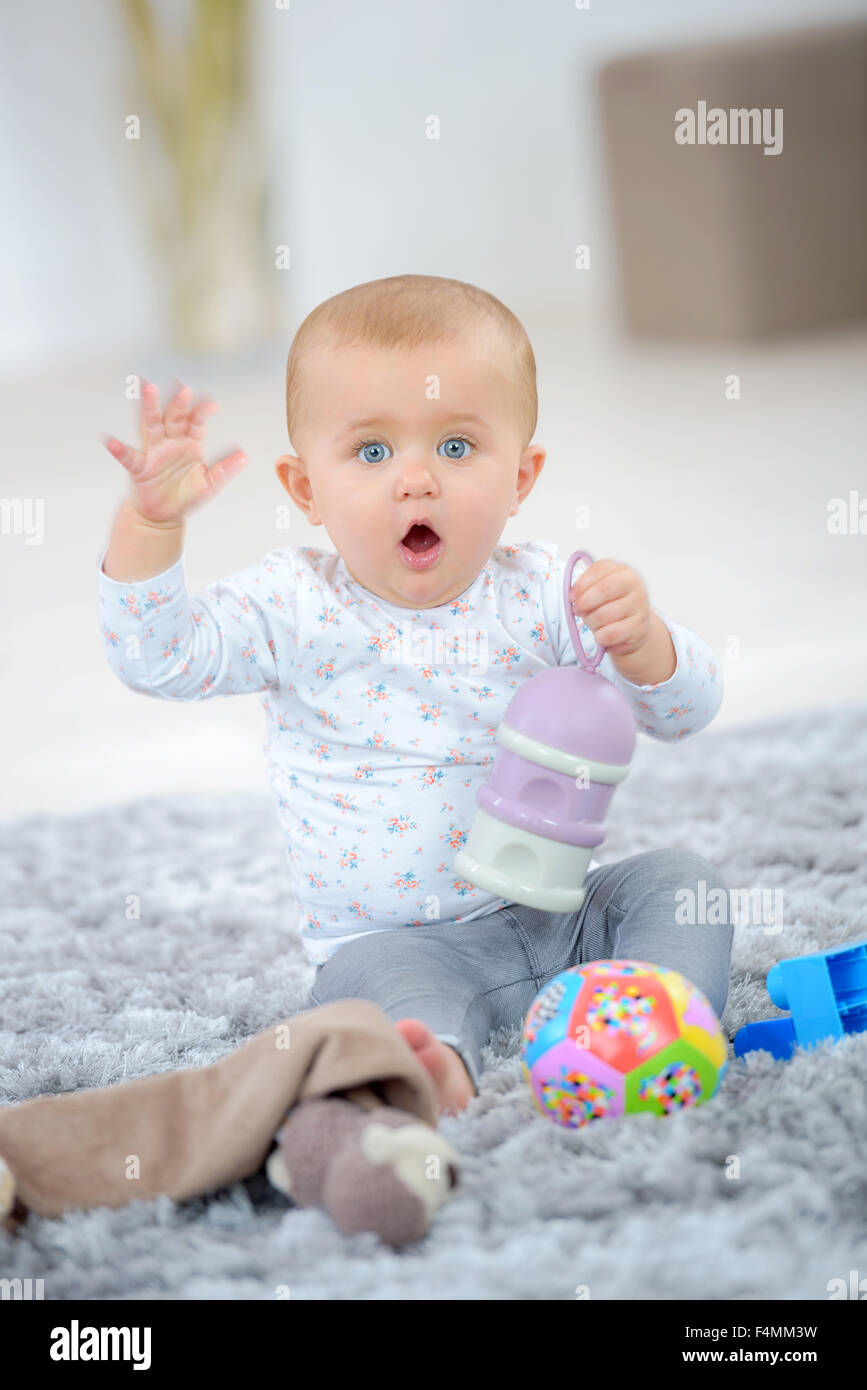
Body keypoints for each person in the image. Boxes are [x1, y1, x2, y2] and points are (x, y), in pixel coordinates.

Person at [99, 273, 732, 1117]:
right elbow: (159, 658)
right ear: (304, 491)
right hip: (398, 943)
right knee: (367, 998)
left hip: (563, 917)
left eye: (458, 447)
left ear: (521, 476)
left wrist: (646, 644)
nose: (416, 481)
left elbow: (684, 715)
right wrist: (151, 526)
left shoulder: (552, 593)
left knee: (678, 882)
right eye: (370, 452)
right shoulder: (293, 606)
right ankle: (429, 1073)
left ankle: (650, 1025)